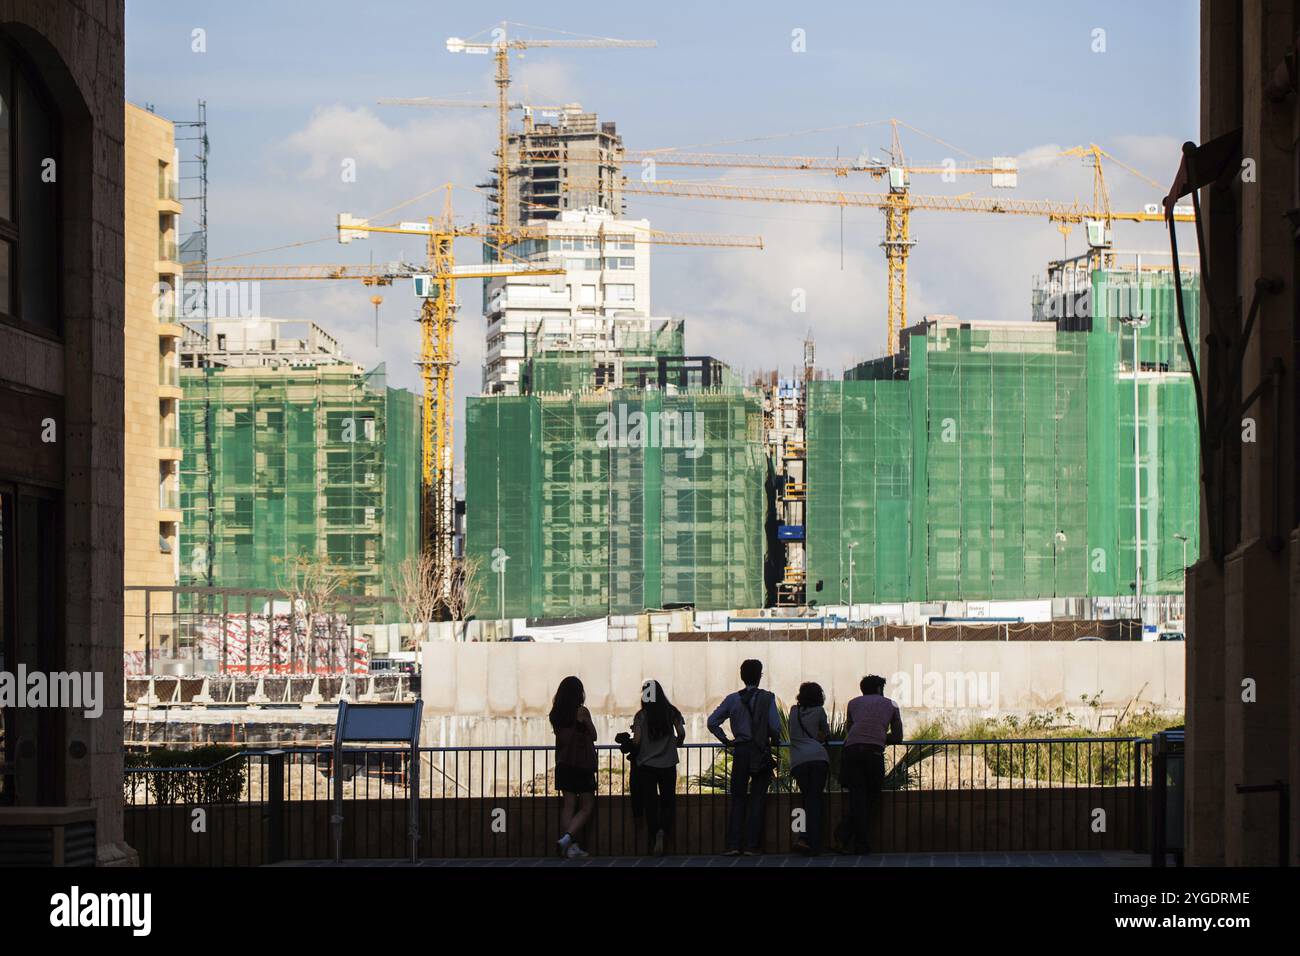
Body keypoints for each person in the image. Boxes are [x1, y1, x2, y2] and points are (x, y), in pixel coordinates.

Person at [707, 658, 782, 855]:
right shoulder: (768, 698)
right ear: (759, 677)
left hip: (740, 750)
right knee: (757, 798)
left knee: (738, 798)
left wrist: (725, 740)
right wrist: (774, 739)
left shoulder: (732, 699)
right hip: (760, 751)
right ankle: (751, 845)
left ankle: (733, 844)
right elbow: (775, 726)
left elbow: (712, 721)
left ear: (742, 676)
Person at [835, 674, 903, 855]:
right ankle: (857, 842)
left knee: (858, 797)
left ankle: (845, 837)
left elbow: (850, 729)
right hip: (873, 754)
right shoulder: (892, 705)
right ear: (880, 689)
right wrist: (880, 736)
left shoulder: (853, 703)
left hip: (851, 752)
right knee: (870, 797)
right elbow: (898, 737)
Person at [631, 679, 686, 856]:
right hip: (668, 764)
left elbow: (637, 740)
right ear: (660, 693)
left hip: (647, 765)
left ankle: (654, 835)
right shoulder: (671, 712)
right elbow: (682, 733)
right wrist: (678, 742)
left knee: (650, 802)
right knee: (667, 801)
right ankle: (664, 832)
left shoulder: (641, 715)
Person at [550, 675, 597, 859]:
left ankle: (570, 847)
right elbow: (594, 735)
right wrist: (585, 723)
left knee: (569, 804)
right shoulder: (582, 712)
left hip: (563, 763)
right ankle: (567, 839)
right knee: (587, 805)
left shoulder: (556, 714)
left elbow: (562, 739)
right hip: (581, 764)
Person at [788, 681, 830, 855]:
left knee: (808, 799)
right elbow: (825, 733)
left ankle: (804, 838)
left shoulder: (793, 711)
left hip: (799, 761)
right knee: (814, 799)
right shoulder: (820, 711)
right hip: (818, 758)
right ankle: (811, 842)